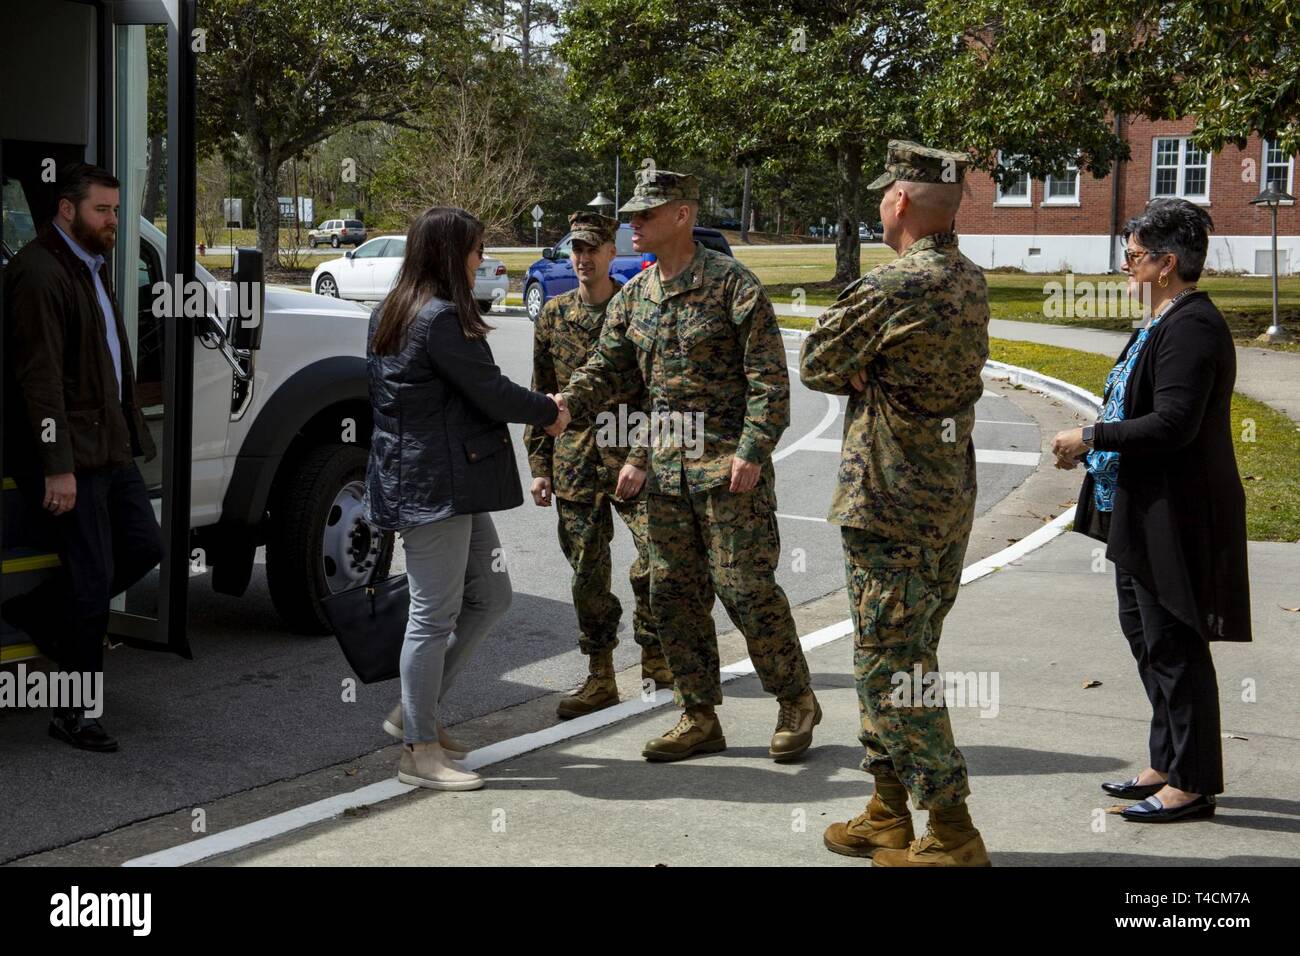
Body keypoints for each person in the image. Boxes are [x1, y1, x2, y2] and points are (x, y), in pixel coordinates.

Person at [557, 170, 819, 763]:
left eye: (645, 215)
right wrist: (567, 404)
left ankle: (796, 700)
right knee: (671, 593)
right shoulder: (636, 295)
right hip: (666, 476)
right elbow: (606, 368)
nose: (633, 225)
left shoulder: (733, 286)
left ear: (682, 215)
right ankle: (698, 714)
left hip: (728, 472)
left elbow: (769, 382)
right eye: (631, 216)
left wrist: (753, 450)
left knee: (745, 588)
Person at [801, 141, 991, 866]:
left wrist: (865, 372)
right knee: (894, 654)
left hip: (888, 503)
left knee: (894, 666)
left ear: (900, 203)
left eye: (884, 193)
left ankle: (951, 829)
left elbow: (820, 360)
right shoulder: (970, 280)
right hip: (943, 502)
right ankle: (887, 810)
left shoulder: (897, 284)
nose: (880, 202)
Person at [1052, 197, 1249, 823]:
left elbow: (1172, 425)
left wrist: (1091, 438)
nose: (1125, 263)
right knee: (1147, 640)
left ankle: (1192, 783)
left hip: (1176, 512)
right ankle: (1166, 760)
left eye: (1133, 254)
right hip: (1139, 508)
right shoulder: (1163, 319)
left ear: (1167, 263)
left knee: (1175, 645)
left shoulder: (1191, 327)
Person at [364, 205, 567, 791]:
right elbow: (492, 393)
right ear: (452, 254)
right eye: (476, 249)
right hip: (434, 487)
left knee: (493, 595)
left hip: (443, 480)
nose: (482, 259)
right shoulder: (439, 320)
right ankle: (418, 753)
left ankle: (413, 711)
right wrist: (551, 412)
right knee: (431, 617)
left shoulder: (394, 311)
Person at [1, 163, 162, 753]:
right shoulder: (40, 274)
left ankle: (41, 613)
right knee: (92, 582)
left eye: (117, 210)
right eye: (103, 210)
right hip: (71, 454)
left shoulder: (87, 263)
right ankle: (73, 712)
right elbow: (37, 381)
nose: (113, 221)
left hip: (107, 446)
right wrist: (56, 465)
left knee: (146, 546)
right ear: (66, 210)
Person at [523, 211, 672, 719]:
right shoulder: (554, 315)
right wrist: (539, 464)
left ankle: (657, 657)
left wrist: (641, 457)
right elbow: (540, 394)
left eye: (592, 249)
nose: (583, 258)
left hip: (630, 453)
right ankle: (601, 673)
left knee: (656, 559)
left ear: (613, 252)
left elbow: (658, 391)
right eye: (575, 250)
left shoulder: (633, 310)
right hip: (573, 461)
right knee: (587, 570)